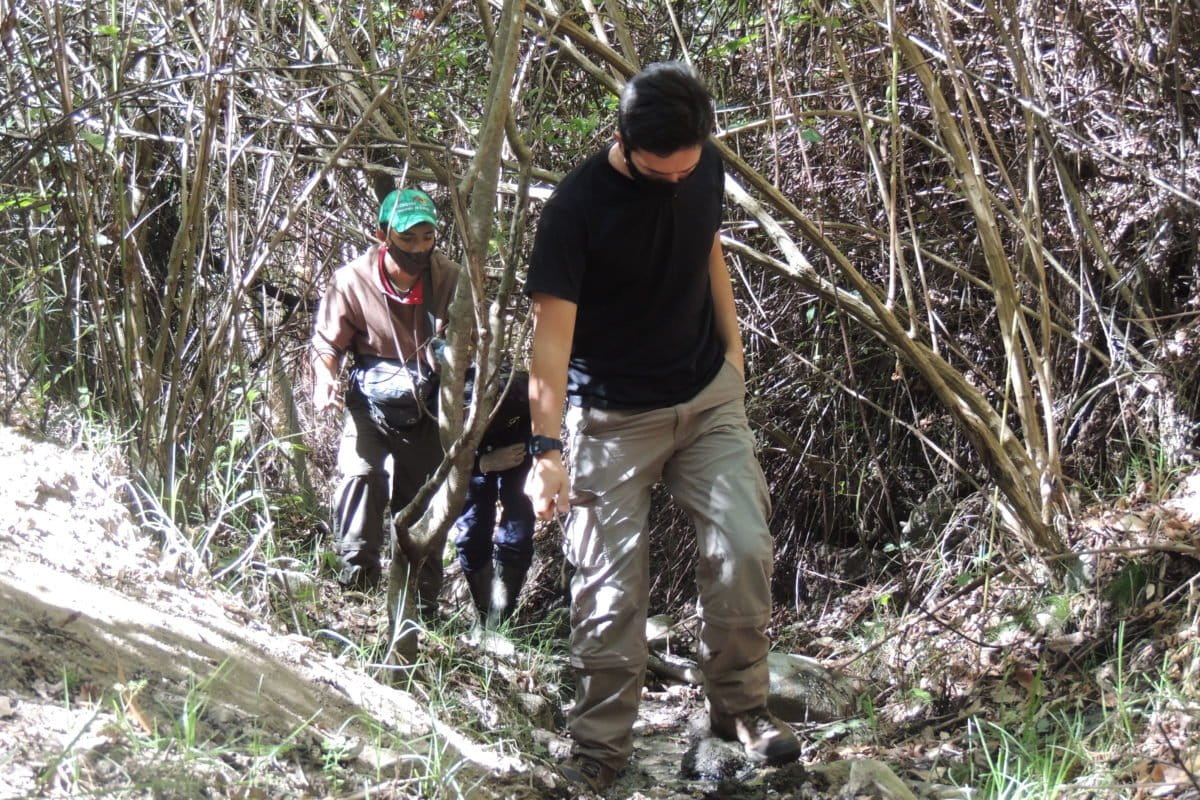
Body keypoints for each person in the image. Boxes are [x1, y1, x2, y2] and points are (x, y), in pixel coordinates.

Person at [523, 62, 802, 792]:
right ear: (622, 141)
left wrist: (734, 354)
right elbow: (549, 344)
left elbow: (707, 247)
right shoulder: (576, 210)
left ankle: (739, 710)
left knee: (744, 549)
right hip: (611, 420)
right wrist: (546, 451)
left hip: (707, 399)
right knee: (610, 593)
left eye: (686, 168)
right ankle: (599, 752)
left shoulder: (701, 165)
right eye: (660, 172)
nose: (676, 182)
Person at [311, 188, 459, 600]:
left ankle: (420, 601)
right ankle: (356, 583)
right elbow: (326, 344)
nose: (418, 248)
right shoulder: (352, 279)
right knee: (361, 476)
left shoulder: (450, 278)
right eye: (407, 238)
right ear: (383, 235)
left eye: (427, 237)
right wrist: (325, 380)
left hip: (430, 404)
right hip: (369, 401)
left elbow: (473, 341)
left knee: (423, 499)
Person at [454, 367, 535, 627]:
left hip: (518, 436)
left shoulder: (521, 394)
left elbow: (543, 414)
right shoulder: (447, 401)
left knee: (519, 522)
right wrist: (483, 463)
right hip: (467, 453)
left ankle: (498, 619)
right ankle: (484, 613)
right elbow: (443, 460)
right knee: (472, 529)